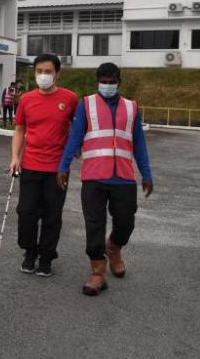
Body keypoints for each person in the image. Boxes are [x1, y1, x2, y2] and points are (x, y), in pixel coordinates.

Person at [57, 62, 153, 296]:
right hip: (94, 177)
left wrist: (146, 173)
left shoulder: (131, 107)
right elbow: (75, 137)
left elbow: (139, 143)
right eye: (103, 82)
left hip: (124, 177)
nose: (107, 86)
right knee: (94, 225)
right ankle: (97, 271)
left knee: (126, 221)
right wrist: (64, 165)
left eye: (112, 82)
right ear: (97, 81)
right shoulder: (86, 104)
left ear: (119, 82)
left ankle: (114, 247)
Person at [9, 54, 78, 277]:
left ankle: (46, 257)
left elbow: (77, 128)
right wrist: (15, 157)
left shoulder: (69, 99)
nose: (43, 76)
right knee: (26, 212)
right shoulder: (27, 99)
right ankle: (30, 252)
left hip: (58, 170)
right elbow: (19, 129)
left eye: (48, 72)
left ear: (57, 73)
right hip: (30, 165)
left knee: (52, 215)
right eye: (39, 71)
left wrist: (76, 149)